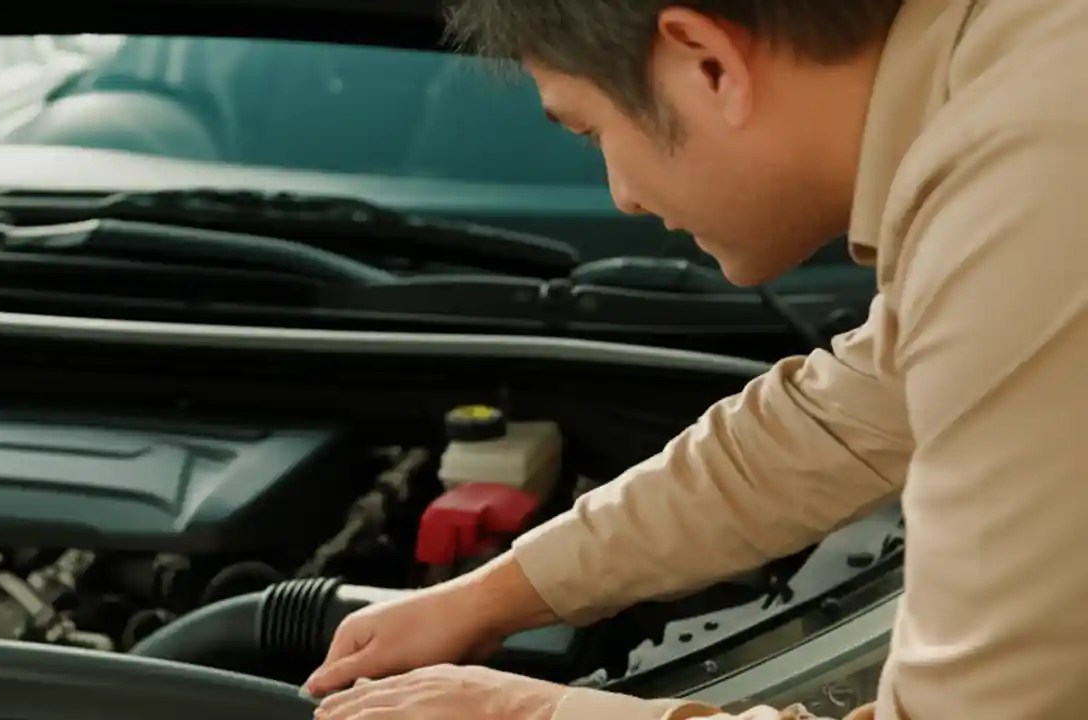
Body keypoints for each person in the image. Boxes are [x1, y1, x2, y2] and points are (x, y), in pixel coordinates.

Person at [307, 0, 1088, 717]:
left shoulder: (1026, 186)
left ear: (707, 61)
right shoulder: (1014, 78)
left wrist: (531, 711)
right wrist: (492, 595)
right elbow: (840, 420)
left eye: (590, 131)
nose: (623, 196)